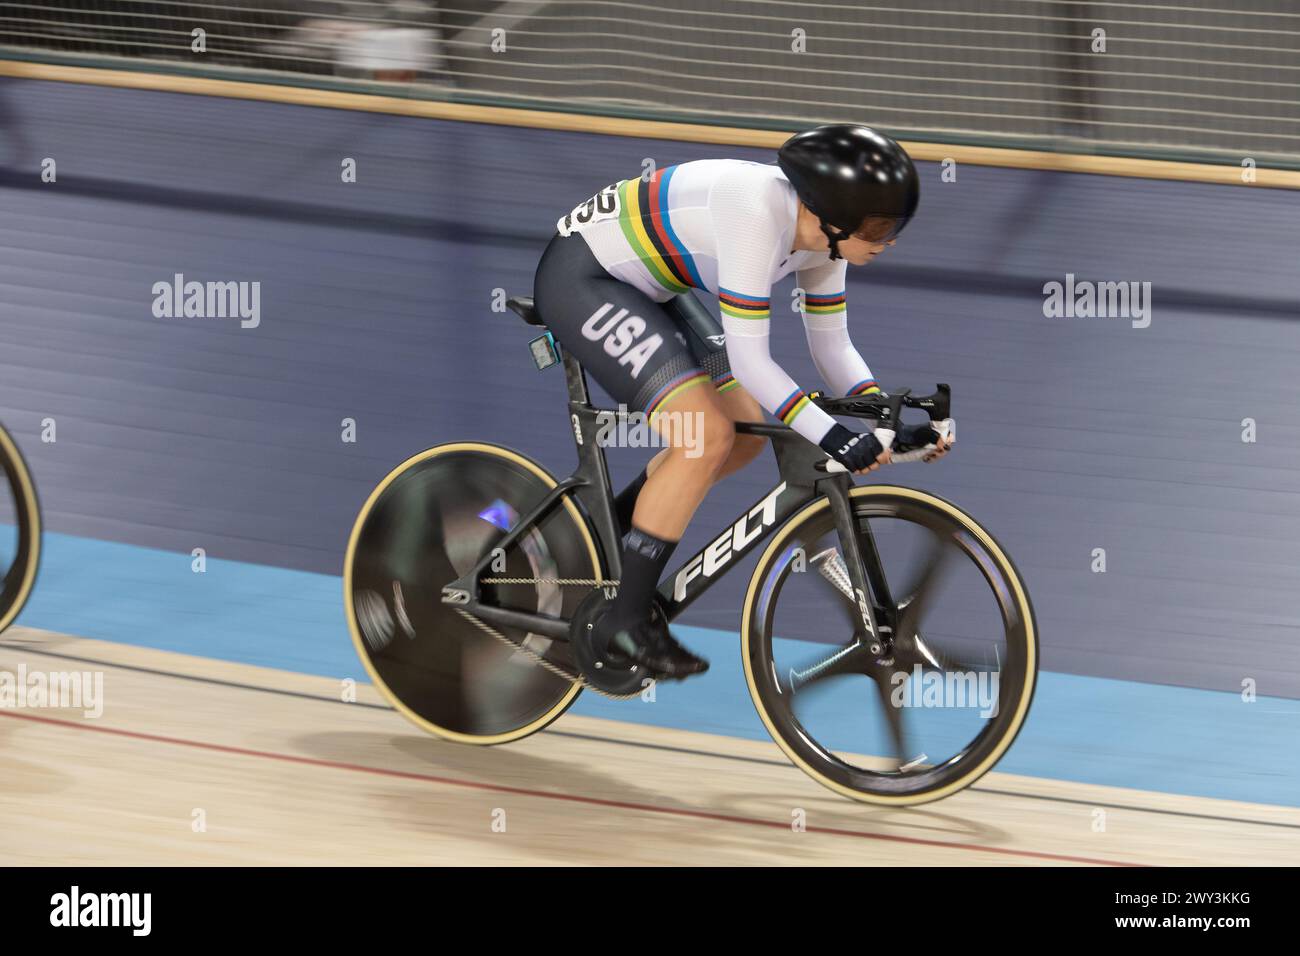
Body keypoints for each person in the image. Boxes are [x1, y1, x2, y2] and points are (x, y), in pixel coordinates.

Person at [531, 123, 949, 680]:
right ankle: (623, 621)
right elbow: (753, 365)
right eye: (878, 226)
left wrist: (881, 419)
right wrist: (833, 435)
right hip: (584, 277)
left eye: (895, 226)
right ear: (832, 213)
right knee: (705, 436)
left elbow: (832, 344)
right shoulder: (755, 217)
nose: (888, 239)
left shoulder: (824, 239)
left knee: (741, 437)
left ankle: (597, 537)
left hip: (655, 284)